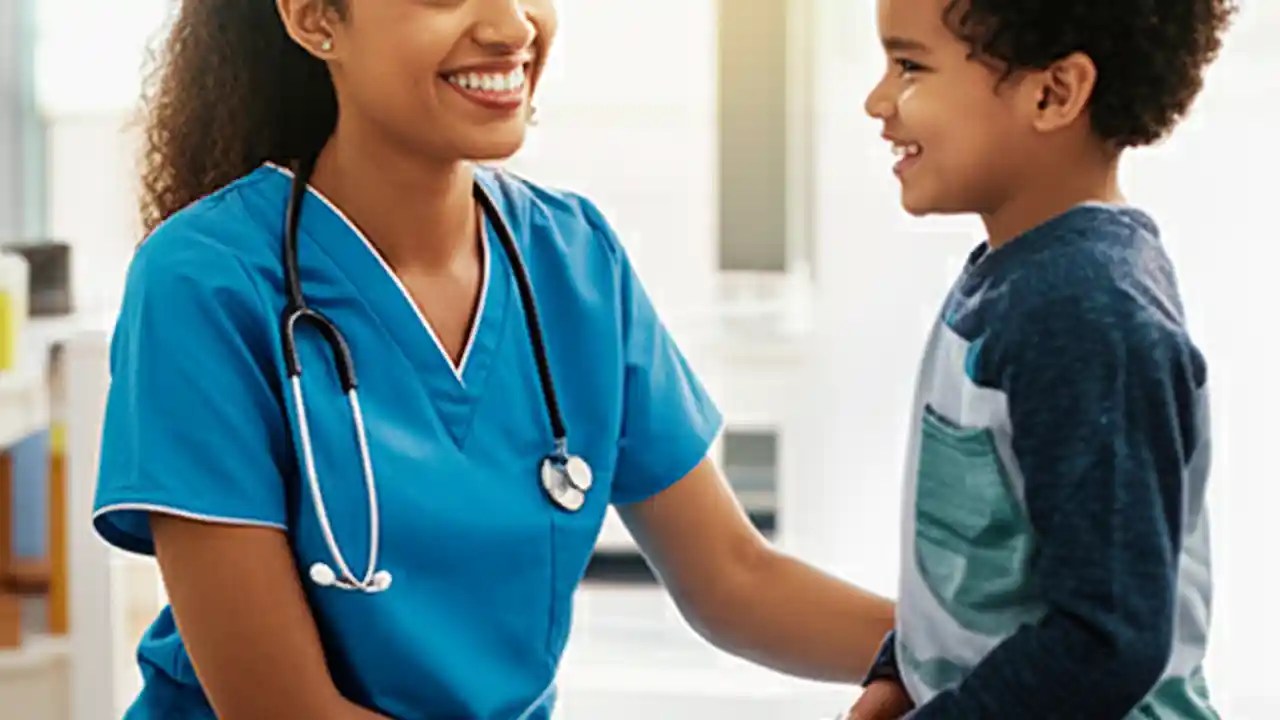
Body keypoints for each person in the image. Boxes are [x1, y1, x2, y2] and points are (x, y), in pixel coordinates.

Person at [90, 0, 896, 718]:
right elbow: (280, 708)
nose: (511, 26)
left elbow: (733, 579)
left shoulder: (573, 259)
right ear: (315, 19)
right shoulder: (204, 281)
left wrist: (953, 656)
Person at [847, 0, 1236, 718]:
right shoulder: (1013, 280)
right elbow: (980, 573)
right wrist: (895, 673)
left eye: (910, 67)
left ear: (1053, 94)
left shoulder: (1090, 314)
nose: (877, 101)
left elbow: (1106, 637)